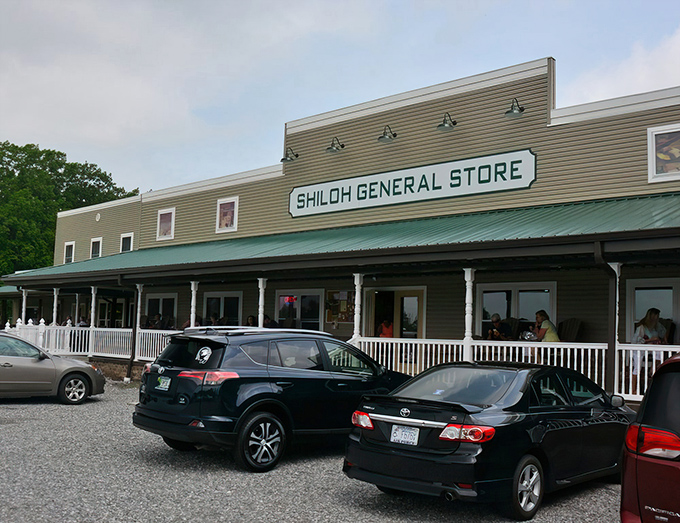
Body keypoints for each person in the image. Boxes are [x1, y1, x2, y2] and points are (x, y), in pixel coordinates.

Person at [631, 307, 667, 393]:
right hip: (639, 348)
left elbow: (664, 331)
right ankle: (633, 389)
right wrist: (650, 340)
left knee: (659, 352)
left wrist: (664, 340)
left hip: (651, 347)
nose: (657, 319)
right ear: (650, 316)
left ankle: (653, 369)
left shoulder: (657, 326)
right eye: (655, 316)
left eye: (658, 316)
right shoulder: (642, 327)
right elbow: (636, 341)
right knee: (637, 368)